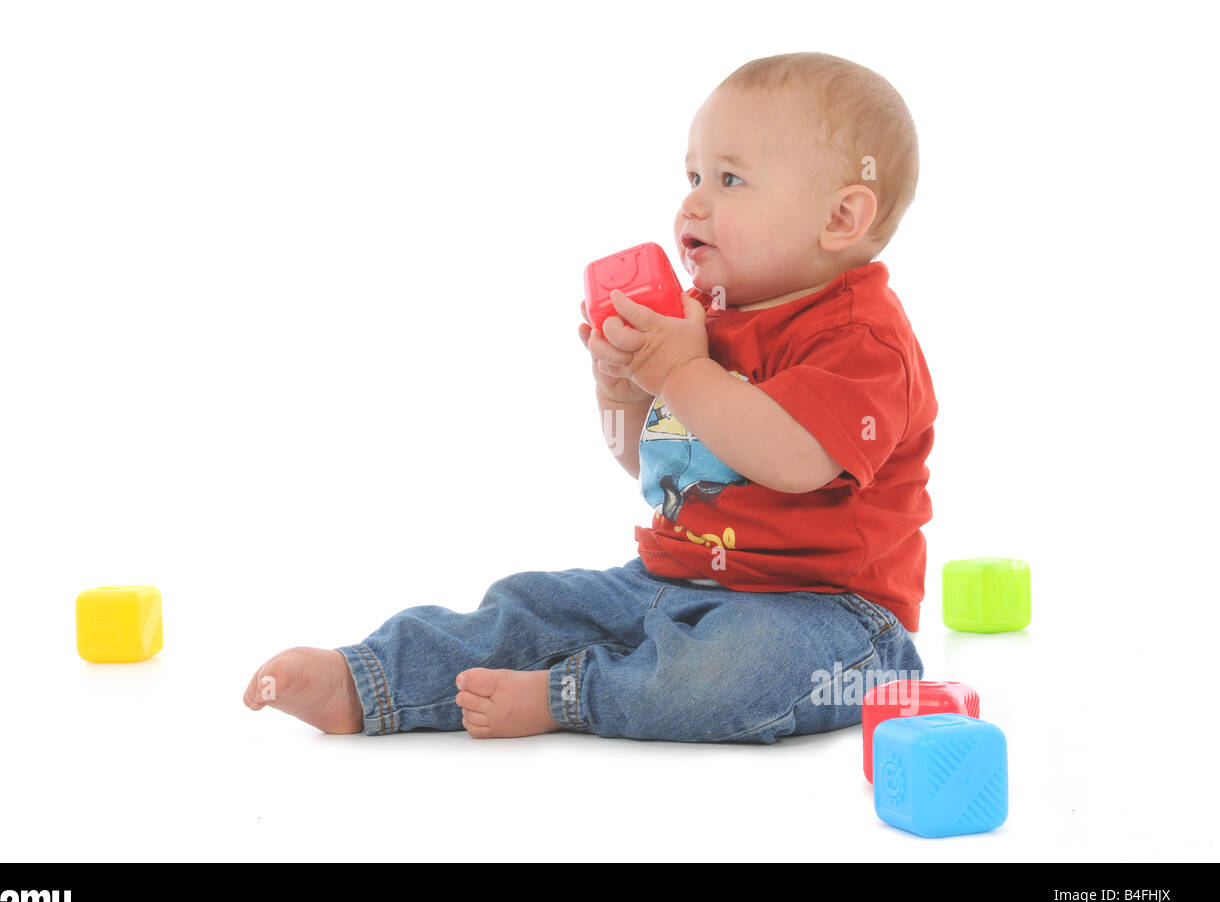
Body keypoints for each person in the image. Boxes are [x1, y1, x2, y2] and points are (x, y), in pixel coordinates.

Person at [243, 52, 936, 744]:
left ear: (842, 217)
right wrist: (624, 388)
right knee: (530, 604)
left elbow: (794, 458)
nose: (693, 202)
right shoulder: (699, 319)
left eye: (730, 179)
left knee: (738, 669)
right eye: (692, 176)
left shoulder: (862, 339)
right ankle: (368, 681)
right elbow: (652, 466)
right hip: (667, 579)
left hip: (830, 616)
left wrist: (679, 372)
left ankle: (571, 694)